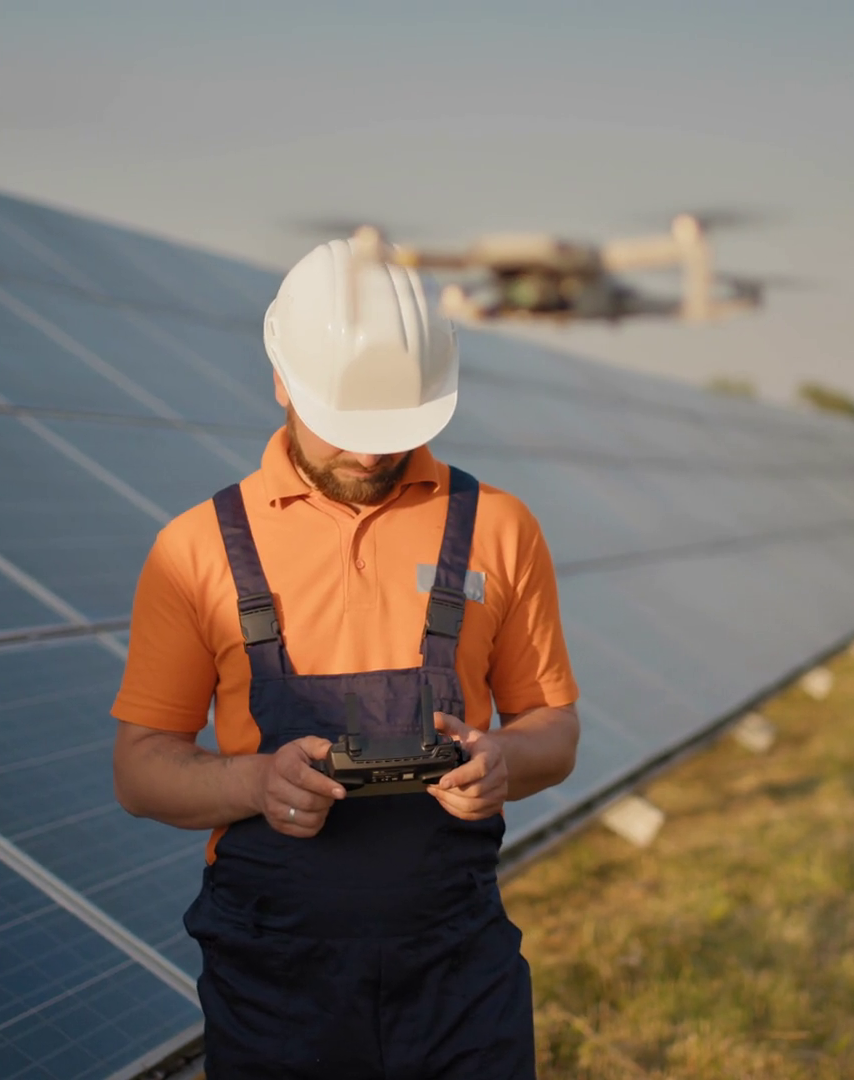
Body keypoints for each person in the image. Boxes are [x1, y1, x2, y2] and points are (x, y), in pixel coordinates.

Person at [110, 237, 582, 1079]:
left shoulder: (500, 528)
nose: (370, 455)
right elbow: (141, 770)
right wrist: (256, 783)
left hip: (457, 975)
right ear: (283, 379)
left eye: (393, 429)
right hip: (274, 984)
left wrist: (501, 760)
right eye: (347, 427)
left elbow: (555, 729)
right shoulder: (194, 550)